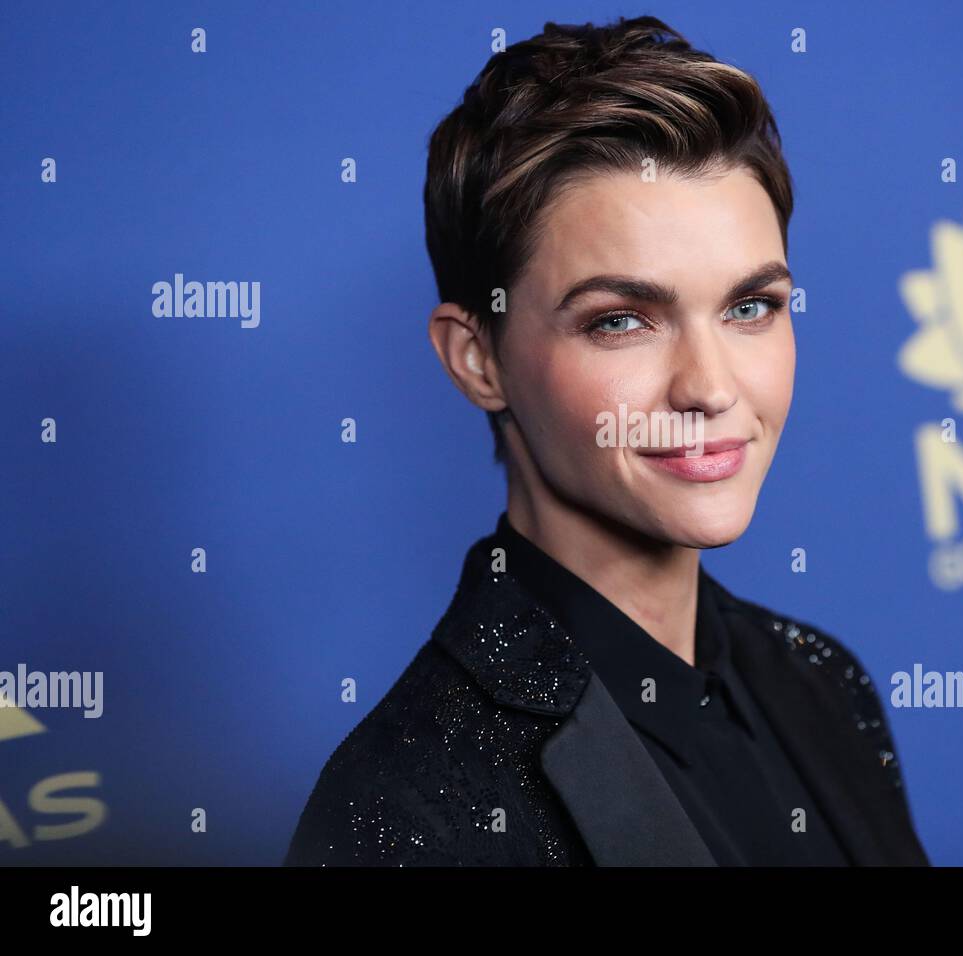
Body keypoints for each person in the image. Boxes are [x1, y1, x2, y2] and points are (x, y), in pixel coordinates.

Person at [283, 14, 928, 867]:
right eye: (621, 319)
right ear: (480, 359)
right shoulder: (407, 808)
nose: (709, 387)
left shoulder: (821, 684)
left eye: (750, 308)